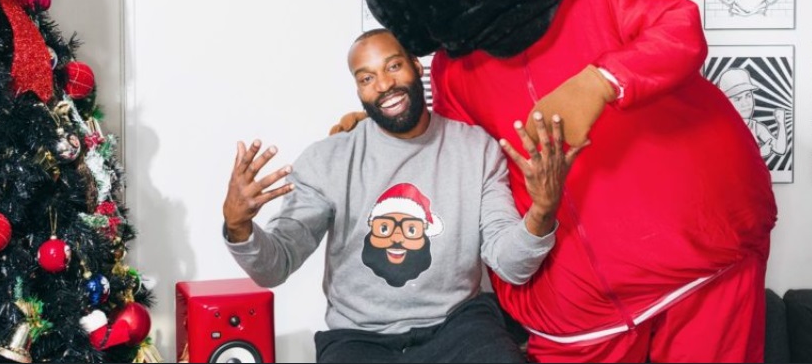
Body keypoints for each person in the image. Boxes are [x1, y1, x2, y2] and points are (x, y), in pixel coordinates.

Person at [327, 0, 776, 361]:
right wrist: (386, 130)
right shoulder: (452, 73)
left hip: (703, 264)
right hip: (578, 312)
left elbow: (678, 30)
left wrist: (601, 82)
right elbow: (450, 157)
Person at [223, 29, 586, 363]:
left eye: (393, 66)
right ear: (358, 90)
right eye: (366, 78)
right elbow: (276, 266)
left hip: (458, 326)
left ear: (416, 66)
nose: (383, 85)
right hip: (359, 338)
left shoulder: (476, 150)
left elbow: (510, 266)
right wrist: (239, 227)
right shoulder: (327, 160)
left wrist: (542, 211)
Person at [718, 67, 787, 158]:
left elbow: (780, 149)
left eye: (748, 95)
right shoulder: (722, 128)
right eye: (738, 99)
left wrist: (781, 123)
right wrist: (758, 153)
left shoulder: (756, 127)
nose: (746, 103)